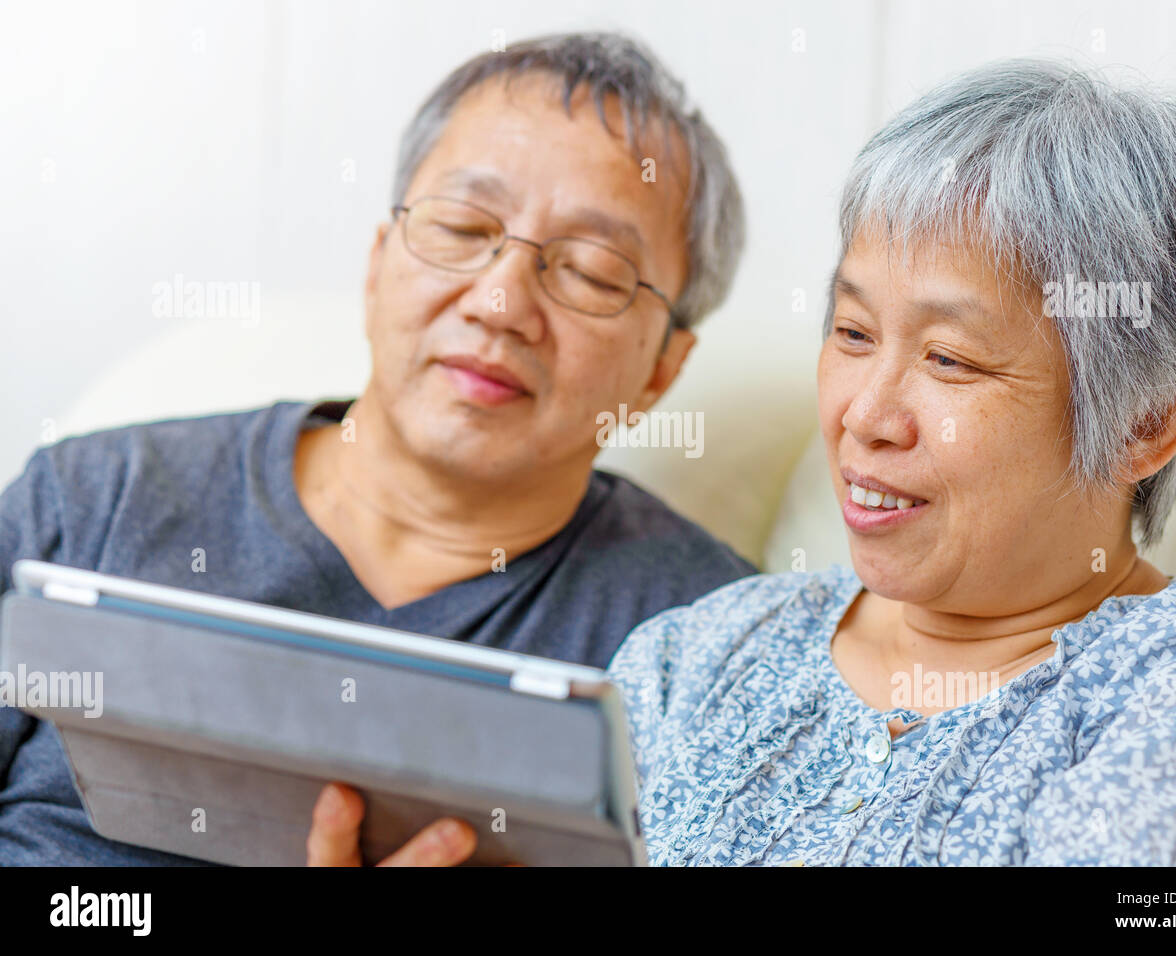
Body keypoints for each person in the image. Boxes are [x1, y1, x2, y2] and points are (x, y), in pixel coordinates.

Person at [351, 59, 1176, 866]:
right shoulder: (696, 659)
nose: (865, 416)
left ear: (1144, 426)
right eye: (851, 332)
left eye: (950, 359)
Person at [0, 32, 755, 865]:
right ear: (376, 264)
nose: (501, 301)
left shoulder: (719, 645)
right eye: (465, 226)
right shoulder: (92, 499)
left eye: (588, 270)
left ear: (661, 371)